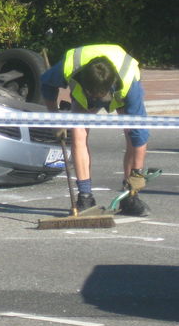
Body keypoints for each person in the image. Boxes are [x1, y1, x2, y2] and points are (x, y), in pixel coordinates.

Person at [40, 44, 150, 216]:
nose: (97, 100)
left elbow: (140, 134)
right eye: (93, 95)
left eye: (100, 97)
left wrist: (137, 175)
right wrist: (56, 119)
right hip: (82, 97)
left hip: (119, 95)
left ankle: (130, 196)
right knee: (78, 133)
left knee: (131, 134)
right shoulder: (70, 65)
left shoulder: (129, 82)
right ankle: (85, 196)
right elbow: (46, 84)